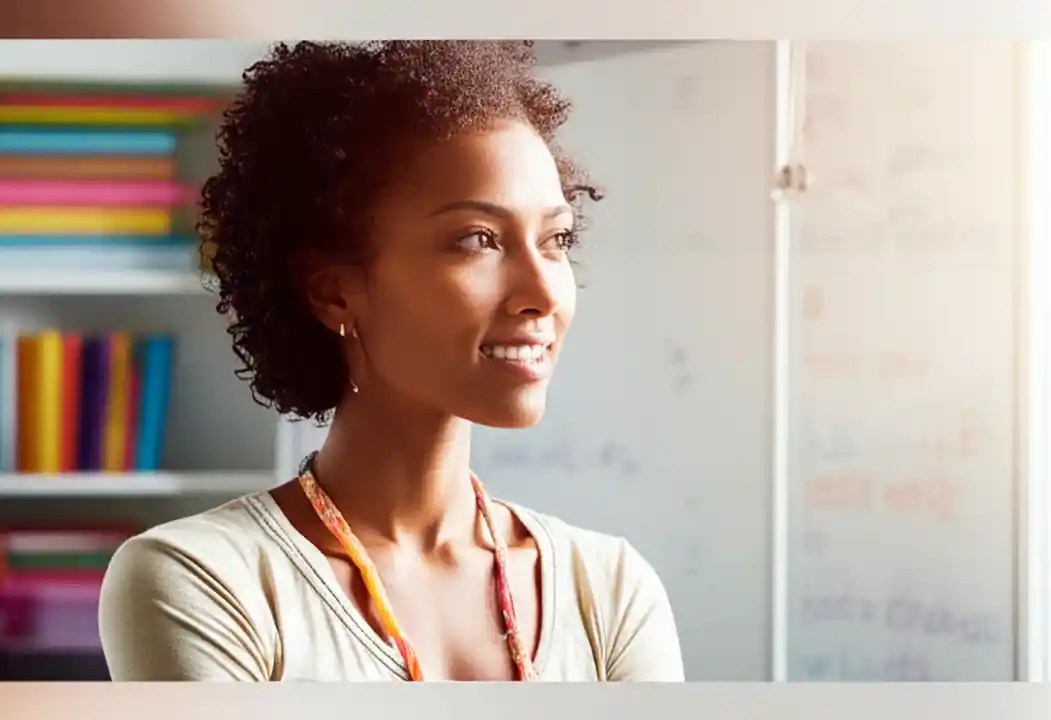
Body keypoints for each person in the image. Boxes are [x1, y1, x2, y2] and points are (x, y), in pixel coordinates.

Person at [97, 40, 684, 682]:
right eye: (477, 240)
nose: (544, 292)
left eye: (555, 240)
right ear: (333, 289)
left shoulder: (608, 590)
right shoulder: (204, 581)